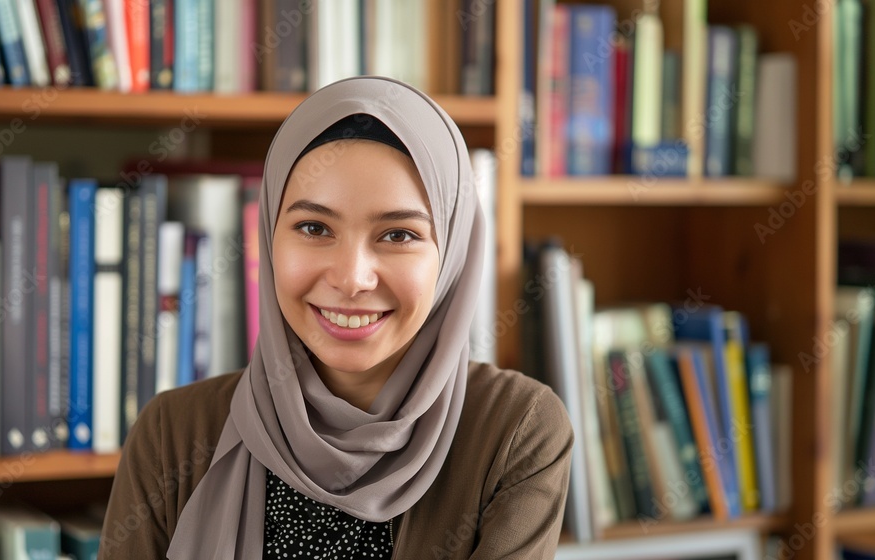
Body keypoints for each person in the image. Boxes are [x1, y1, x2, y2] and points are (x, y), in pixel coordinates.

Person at [100, 76, 573, 559]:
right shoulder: (173, 434)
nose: (351, 279)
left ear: (451, 252)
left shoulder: (515, 431)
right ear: (267, 236)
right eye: (314, 227)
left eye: (398, 235)